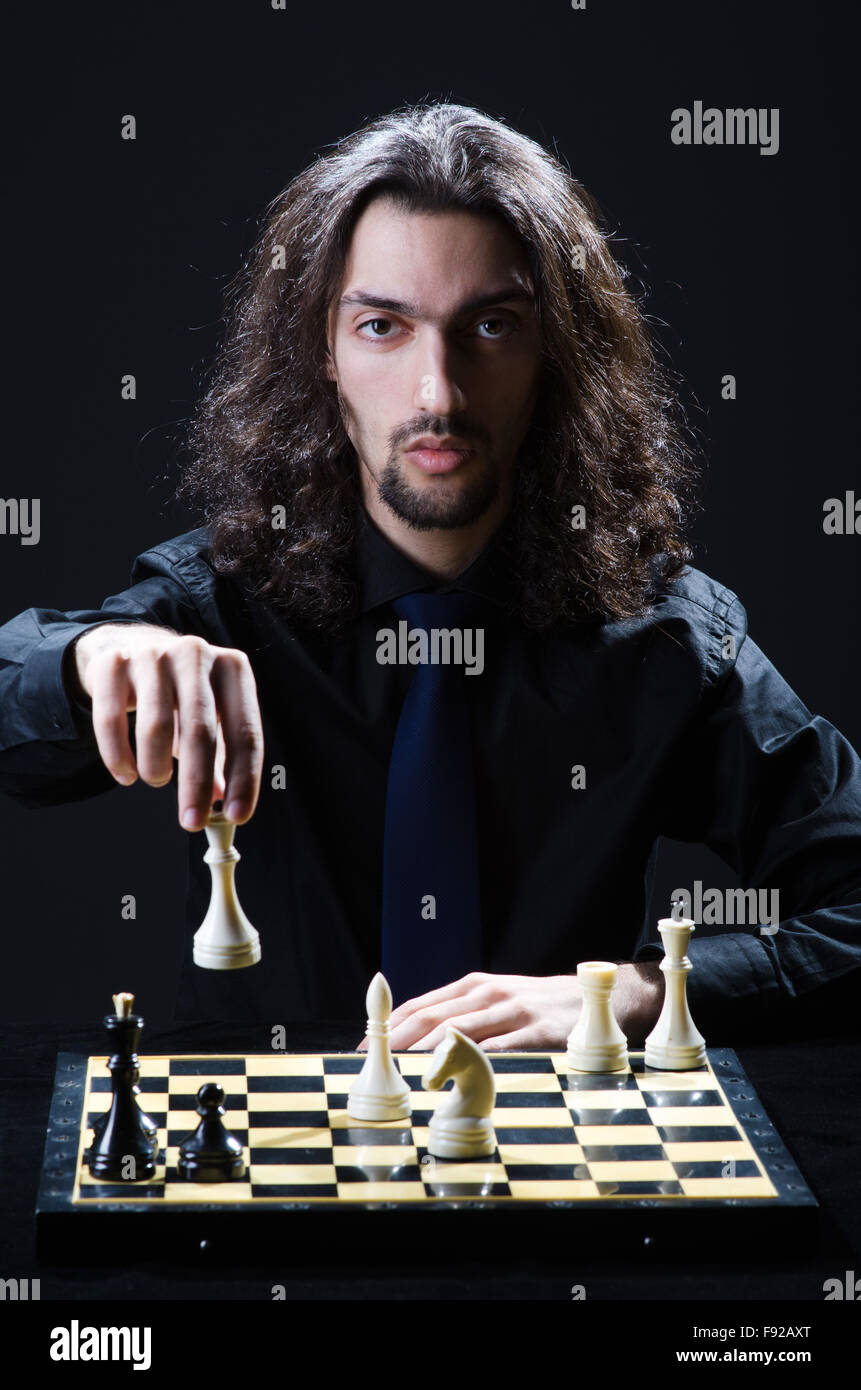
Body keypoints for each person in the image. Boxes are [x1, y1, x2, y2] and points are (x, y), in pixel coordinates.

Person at [1, 103, 859, 1045]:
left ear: (554, 357)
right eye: (382, 326)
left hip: (564, 1166)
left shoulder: (671, 640)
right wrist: (91, 656)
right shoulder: (215, 605)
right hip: (257, 1164)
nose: (437, 393)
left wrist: (640, 994)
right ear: (321, 350)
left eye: (491, 326)